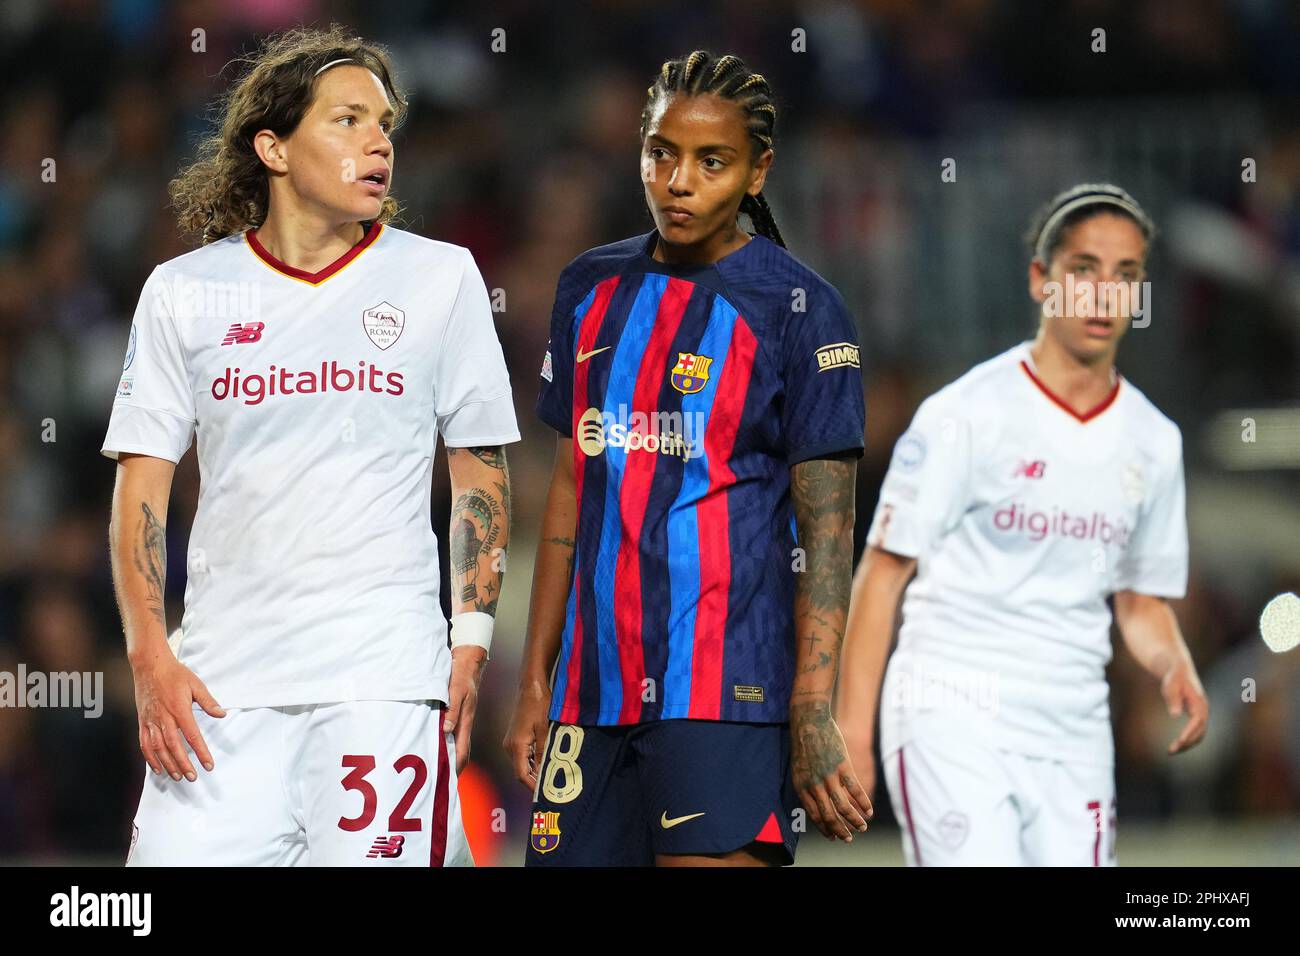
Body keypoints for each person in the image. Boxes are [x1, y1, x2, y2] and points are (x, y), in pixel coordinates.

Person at [103, 26, 519, 866]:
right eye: (348, 120)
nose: (378, 144)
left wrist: (469, 647)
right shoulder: (184, 293)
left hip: (384, 684)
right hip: (220, 692)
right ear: (274, 147)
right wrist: (149, 655)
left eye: (386, 126)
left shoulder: (442, 278)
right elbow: (142, 492)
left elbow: (479, 472)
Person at [505, 50, 872, 866]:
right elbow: (573, 489)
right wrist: (538, 681)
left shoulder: (802, 309)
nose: (678, 180)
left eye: (712, 161)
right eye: (661, 153)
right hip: (590, 696)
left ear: (757, 171)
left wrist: (812, 706)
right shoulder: (588, 288)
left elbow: (830, 534)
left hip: (725, 694)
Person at [836, 184, 1209, 866]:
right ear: (1042, 280)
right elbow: (882, 575)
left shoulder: (1155, 441)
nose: (1103, 292)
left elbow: (1139, 599)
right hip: (950, 713)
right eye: (1083, 269)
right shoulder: (966, 415)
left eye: (1125, 275)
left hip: (1074, 729)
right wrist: (852, 732)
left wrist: (1171, 658)